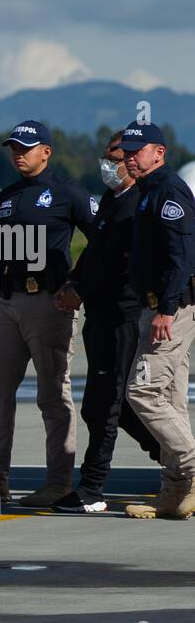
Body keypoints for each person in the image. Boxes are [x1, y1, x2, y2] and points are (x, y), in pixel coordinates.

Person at [0, 120, 96, 508]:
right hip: (10, 303)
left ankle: (59, 482)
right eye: (13, 148)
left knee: (52, 394)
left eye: (25, 148)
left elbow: (104, 240)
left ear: (46, 152)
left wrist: (79, 285)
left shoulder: (67, 193)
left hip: (51, 303)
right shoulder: (7, 197)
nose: (18, 154)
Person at [51, 130, 161, 512]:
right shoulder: (111, 203)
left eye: (117, 159)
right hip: (100, 314)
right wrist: (74, 283)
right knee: (118, 404)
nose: (111, 165)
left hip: (123, 316)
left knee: (107, 404)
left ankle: (92, 489)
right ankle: (174, 458)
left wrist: (83, 290)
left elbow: (122, 265)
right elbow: (94, 254)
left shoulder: (139, 205)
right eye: (108, 158)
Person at [119, 121, 195, 519]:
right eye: (126, 151)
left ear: (159, 153)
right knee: (169, 399)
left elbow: (182, 257)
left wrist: (165, 308)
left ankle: (191, 465)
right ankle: (175, 493)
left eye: (137, 150)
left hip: (172, 309)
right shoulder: (149, 192)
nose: (129, 157)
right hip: (159, 307)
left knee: (142, 392)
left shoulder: (169, 193)